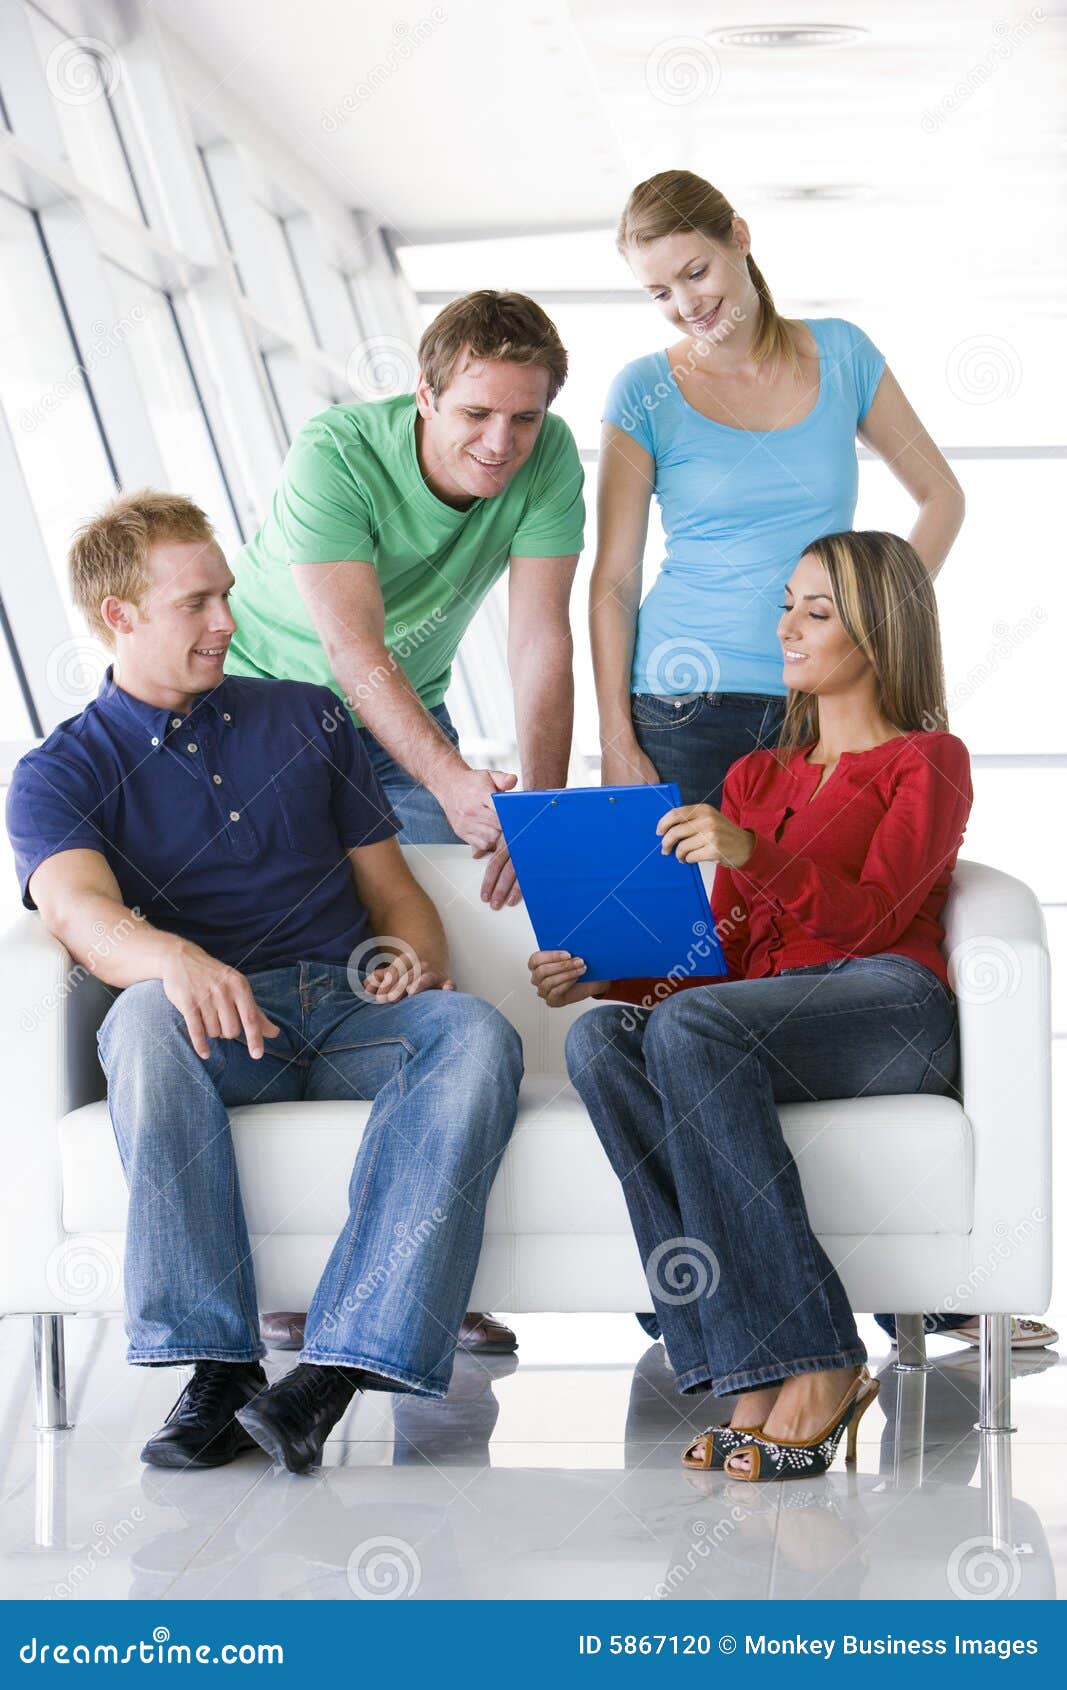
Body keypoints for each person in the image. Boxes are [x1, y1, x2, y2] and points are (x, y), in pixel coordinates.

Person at [6, 491, 523, 1475]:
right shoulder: (58, 771)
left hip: (347, 1012)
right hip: (216, 1030)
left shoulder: (306, 716)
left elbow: (397, 894)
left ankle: (333, 1367)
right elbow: (79, 915)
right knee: (145, 1019)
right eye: (196, 603)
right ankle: (218, 1365)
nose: (227, 623)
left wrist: (409, 957)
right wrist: (173, 956)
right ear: (119, 617)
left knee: (474, 1034)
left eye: (227, 596)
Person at [592, 168, 968, 1345]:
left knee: (833, 952)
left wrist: (868, 625)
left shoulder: (841, 355)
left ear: (741, 241)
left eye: (694, 272)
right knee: (672, 981)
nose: (684, 305)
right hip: (681, 707)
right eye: (657, 292)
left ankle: (912, 1278)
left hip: (824, 701)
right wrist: (613, 738)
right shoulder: (644, 390)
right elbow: (608, 578)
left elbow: (937, 496)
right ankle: (702, 1297)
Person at [530, 530, 974, 1481]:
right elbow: (721, 966)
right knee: (604, 1040)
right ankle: (745, 1359)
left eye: (816, 613)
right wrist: (605, 977)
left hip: (888, 1007)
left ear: (879, 632)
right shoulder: (754, 778)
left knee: (690, 1026)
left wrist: (751, 856)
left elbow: (877, 917)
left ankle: (816, 1357)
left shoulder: (926, 760)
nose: (787, 628)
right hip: (761, 1016)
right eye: (787, 605)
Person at [225, 290, 583, 1357]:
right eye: (475, 414)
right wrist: (453, 774)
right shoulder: (334, 452)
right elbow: (351, 654)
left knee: (451, 943)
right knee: (318, 943)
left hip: (403, 710)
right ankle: (299, 1273)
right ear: (423, 394)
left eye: (521, 419)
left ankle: (424, 1259)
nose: (500, 443)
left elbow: (538, 643)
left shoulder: (550, 456)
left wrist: (539, 814)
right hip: (268, 704)